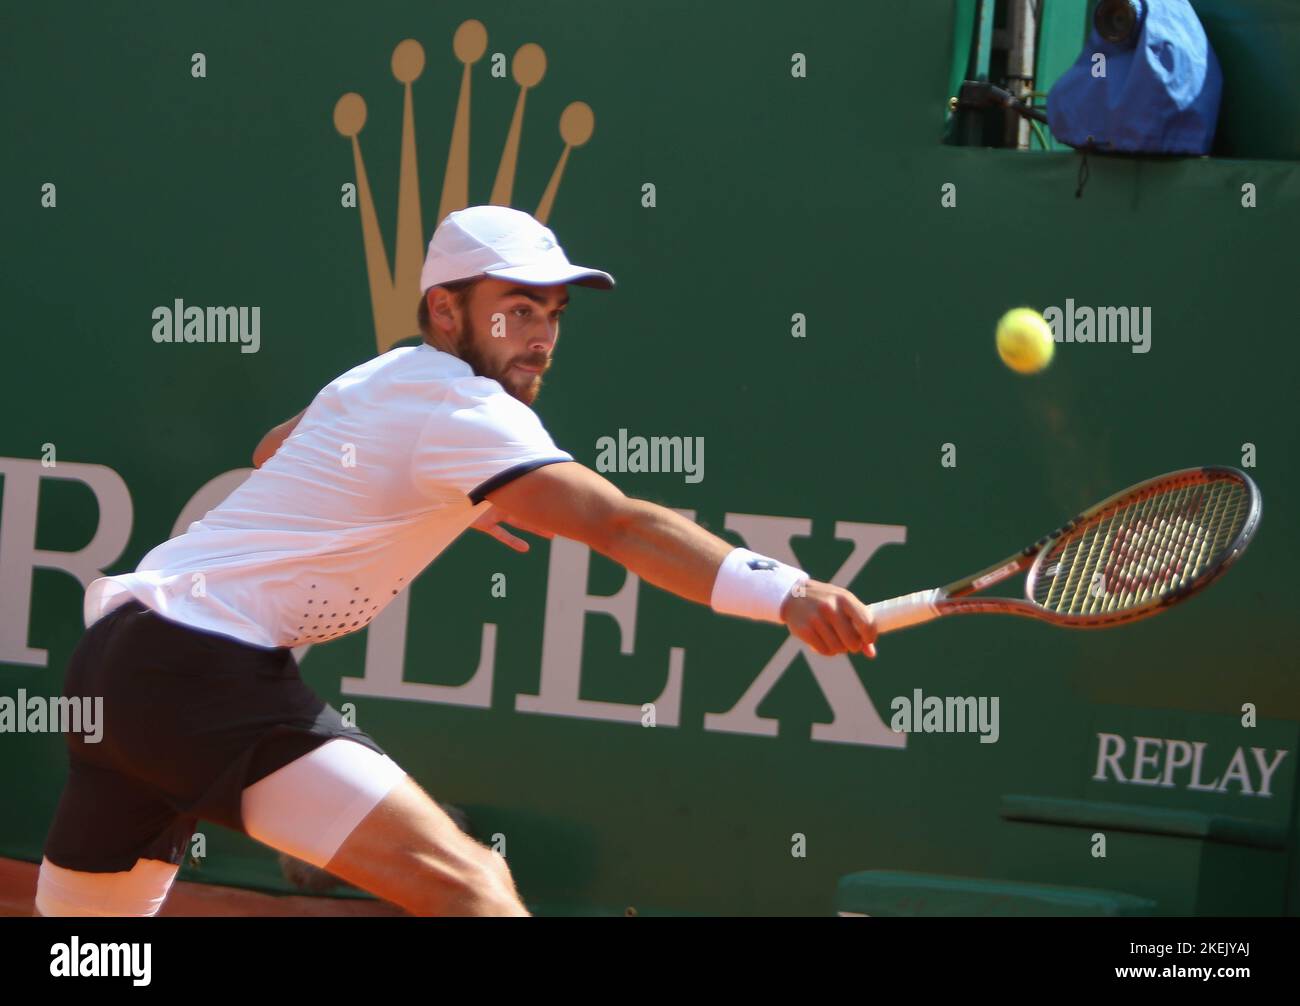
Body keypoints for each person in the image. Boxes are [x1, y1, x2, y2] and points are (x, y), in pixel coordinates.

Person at [35, 206, 877, 918]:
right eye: (517, 310)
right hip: (201, 673)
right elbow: (619, 525)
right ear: (445, 309)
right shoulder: (460, 405)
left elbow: (271, 451)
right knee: (477, 889)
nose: (541, 337)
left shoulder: (385, 376)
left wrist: (445, 492)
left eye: (553, 314)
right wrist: (786, 591)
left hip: (116, 664)